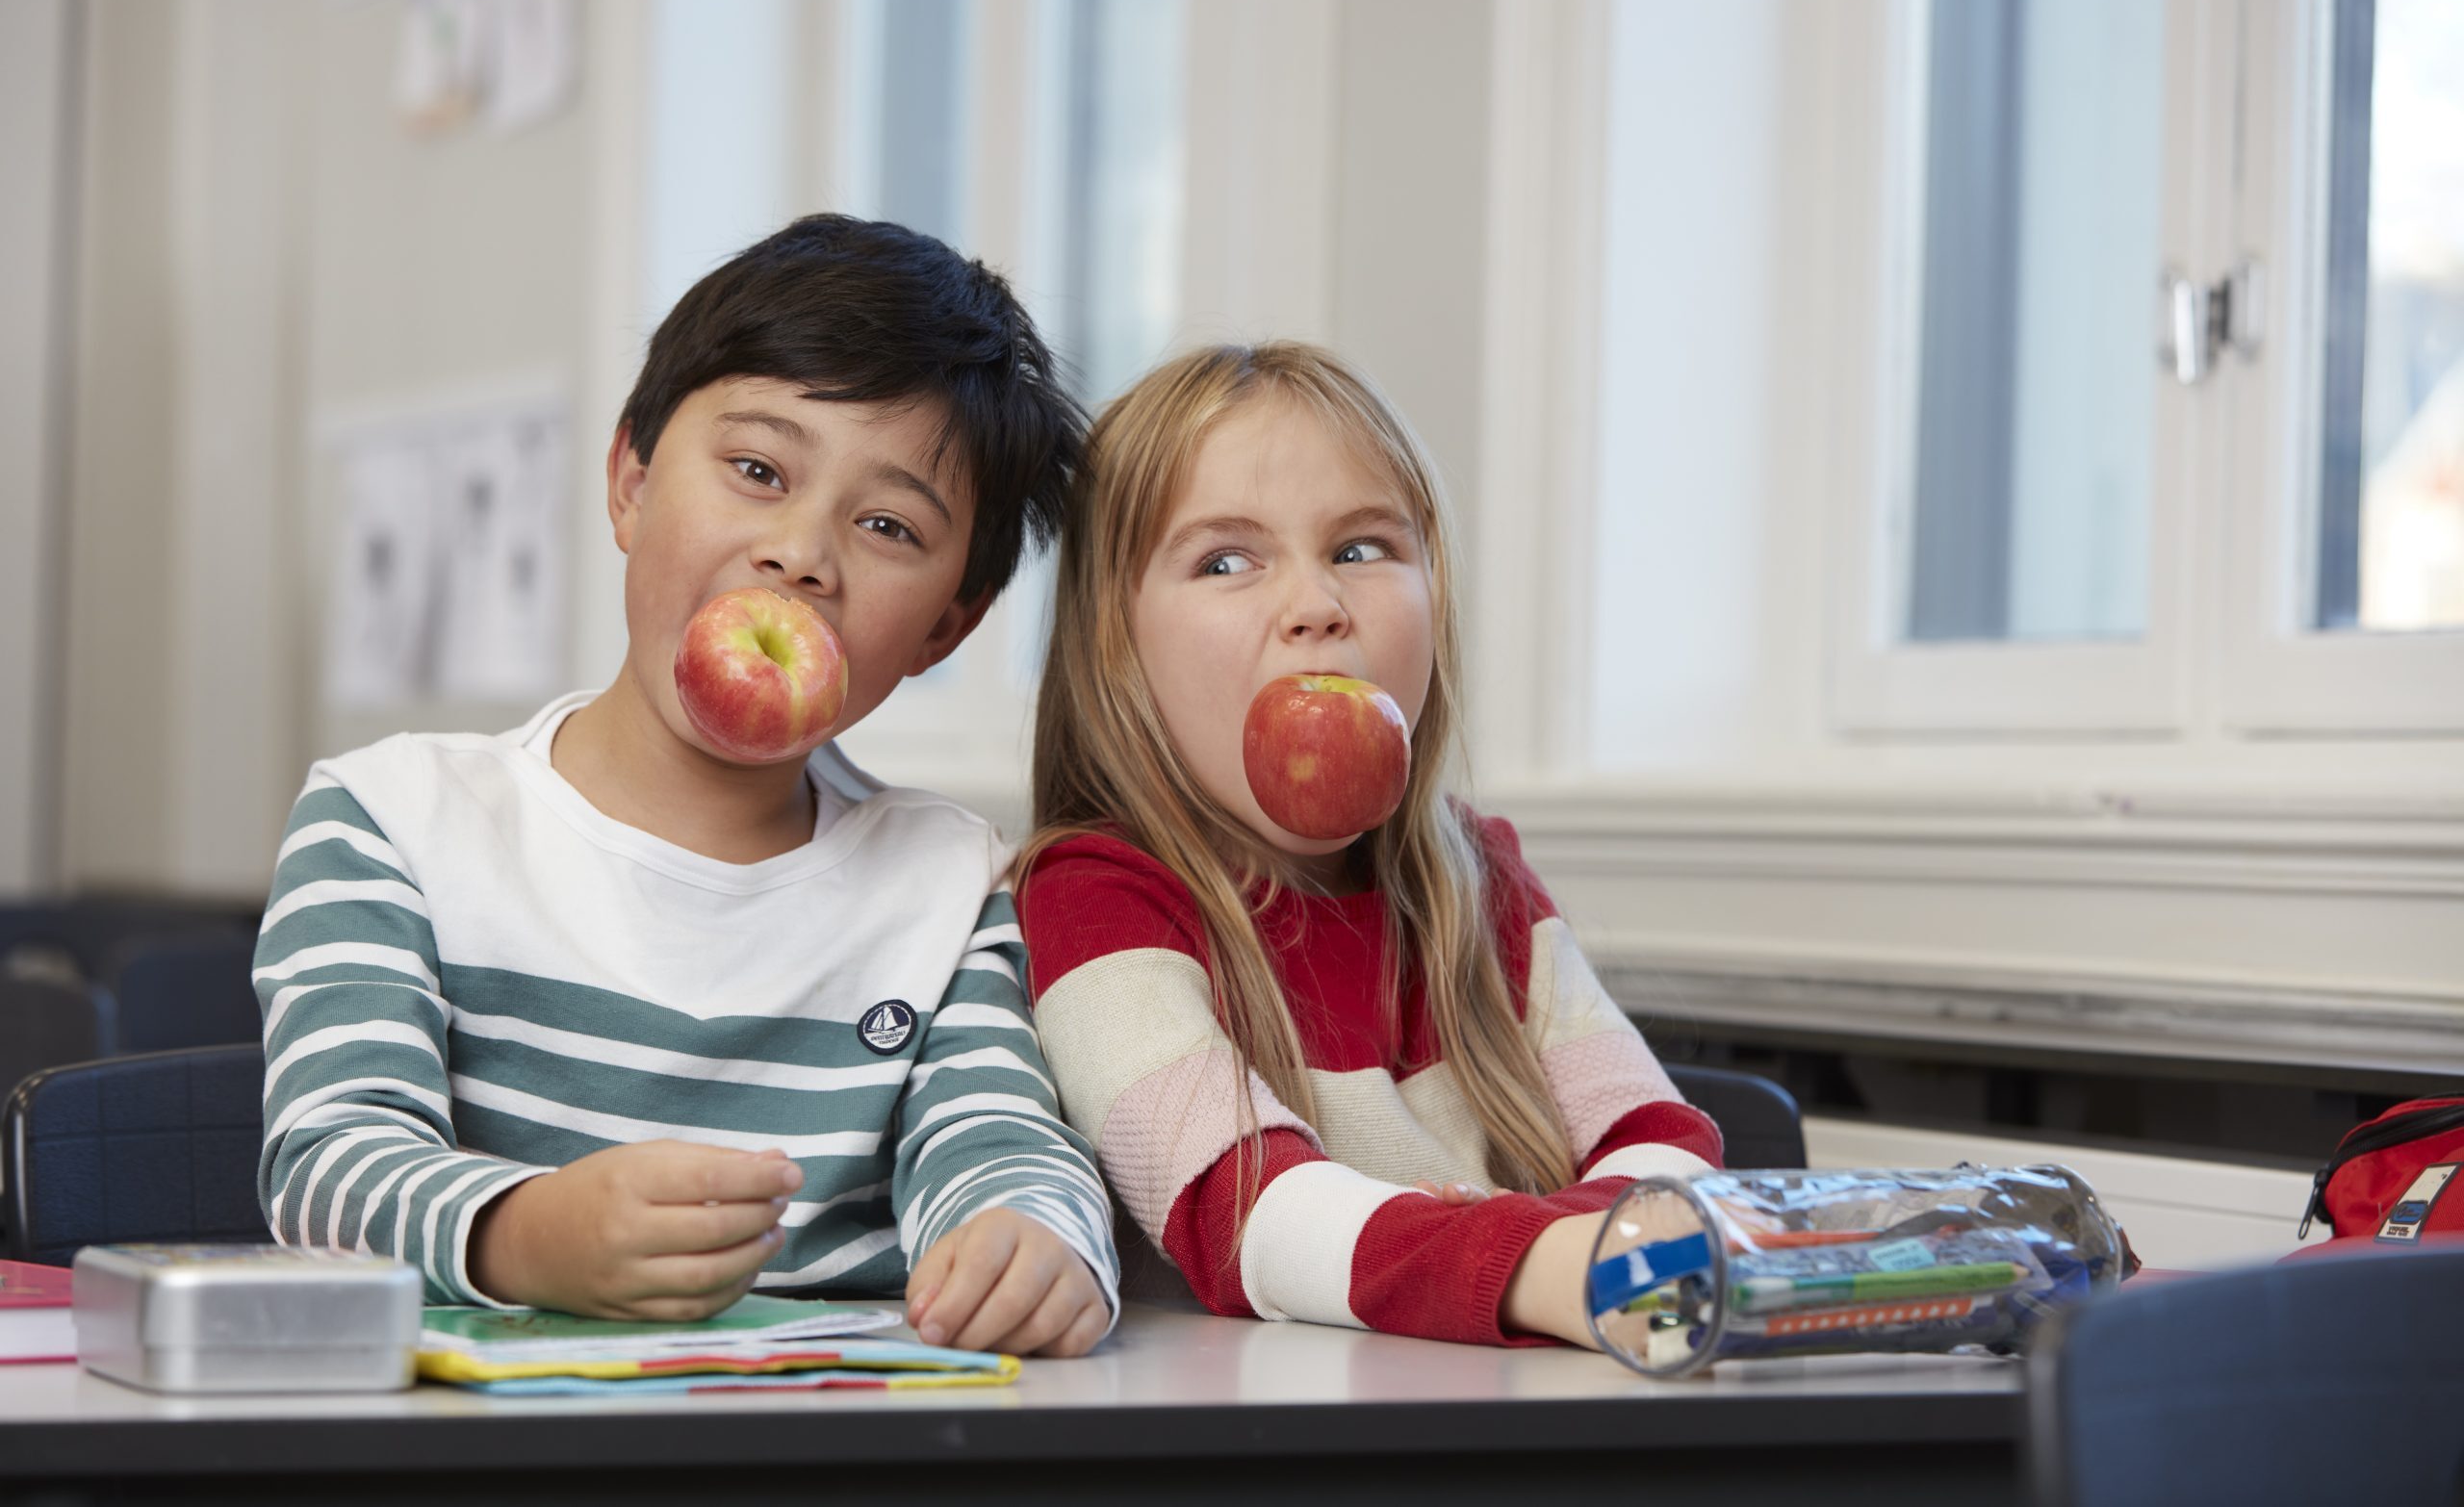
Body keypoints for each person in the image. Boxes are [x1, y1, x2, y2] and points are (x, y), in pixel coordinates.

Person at [256, 216, 1116, 1357]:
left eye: (887, 525)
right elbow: (329, 1164)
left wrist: (1034, 1236)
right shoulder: (394, 820)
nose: (802, 553)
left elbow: (998, 1135)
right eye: (757, 471)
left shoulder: (956, 884)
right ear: (630, 483)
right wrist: (525, 1234)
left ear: (947, 627)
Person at [1014, 342, 1719, 1346]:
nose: (1316, 607)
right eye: (1225, 561)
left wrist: (1596, 1249)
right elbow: (1249, 1212)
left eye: (1359, 549)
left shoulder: (1482, 883)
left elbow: (1662, 1146)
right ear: (1114, 649)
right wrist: (1555, 1258)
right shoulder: (1090, 902)